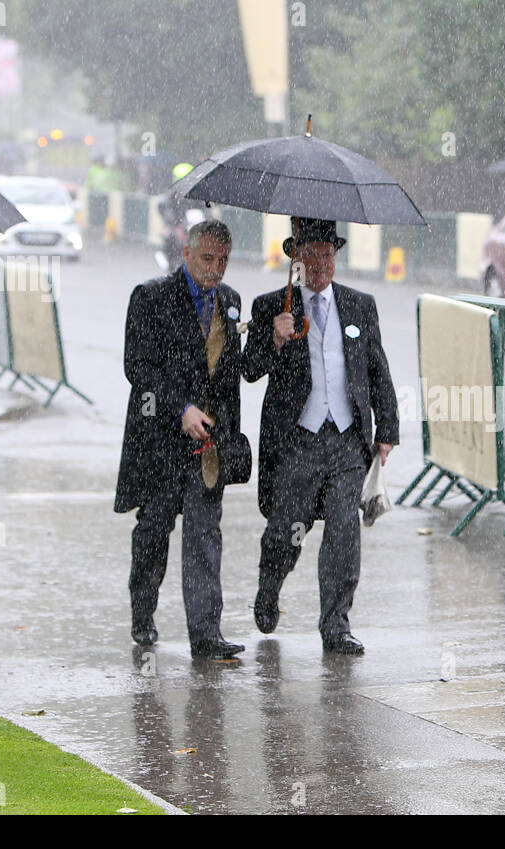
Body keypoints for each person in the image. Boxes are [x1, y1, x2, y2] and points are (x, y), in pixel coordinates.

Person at [244, 217, 399, 655]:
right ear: (294, 260)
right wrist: (274, 338)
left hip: (347, 442)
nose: (319, 265)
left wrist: (387, 429)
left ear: (336, 257)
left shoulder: (359, 305)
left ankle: (336, 624)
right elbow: (250, 370)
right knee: (288, 531)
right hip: (296, 443)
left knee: (343, 532)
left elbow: (377, 370)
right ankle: (269, 585)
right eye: (310, 256)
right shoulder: (271, 307)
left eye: (327, 255)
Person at [114, 219, 250, 660]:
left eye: (224, 260)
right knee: (154, 530)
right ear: (187, 254)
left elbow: (229, 378)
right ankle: (143, 610)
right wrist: (181, 408)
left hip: (206, 446)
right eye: (208, 258)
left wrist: (228, 436)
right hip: (158, 442)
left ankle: (206, 634)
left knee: (205, 534)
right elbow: (138, 366)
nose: (216, 269)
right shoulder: (150, 297)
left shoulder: (230, 303)